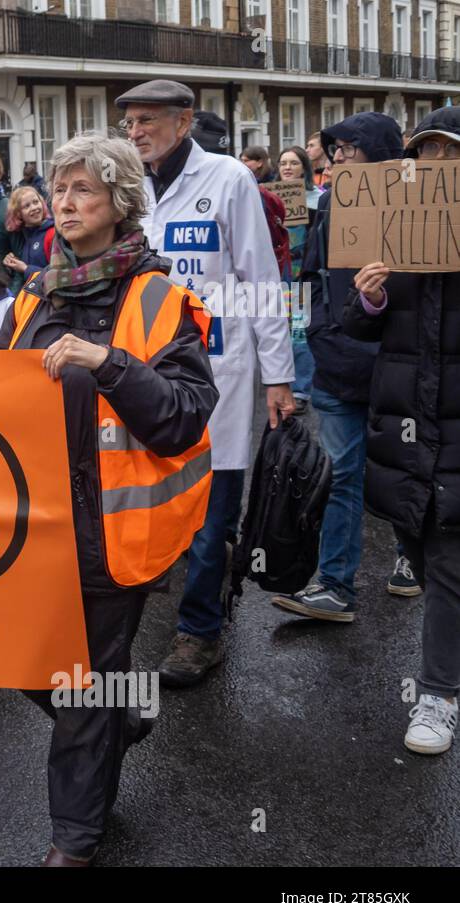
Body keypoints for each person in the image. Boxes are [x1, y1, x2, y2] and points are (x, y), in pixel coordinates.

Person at [0, 132, 217, 864]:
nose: (65, 203)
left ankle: (74, 839)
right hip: (33, 525)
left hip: (112, 533)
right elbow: (4, 383)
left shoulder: (160, 296)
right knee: (35, 665)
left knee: (87, 680)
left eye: (85, 191)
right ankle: (117, 716)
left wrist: (109, 363)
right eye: (61, 189)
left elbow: (187, 413)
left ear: (121, 204)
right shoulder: (36, 290)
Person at [113, 79, 295, 688]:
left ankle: (199, 631)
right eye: (129, 123)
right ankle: (153, 606)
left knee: (213, 509)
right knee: (153, 490)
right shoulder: (129, 185)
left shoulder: (229, 180)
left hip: (221, 368)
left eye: (145, 121)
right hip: (151, 369)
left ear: (183, 122)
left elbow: (262, 277)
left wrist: (279, 374)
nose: (135, 132)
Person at [343, 107, 460, 753]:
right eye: (427, 155)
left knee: (445, 559)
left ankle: (438, 697)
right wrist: (371, 296)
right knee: (413, 541)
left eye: (450, 154)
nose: (437, 166)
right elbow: (355, 326)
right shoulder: (388, 228)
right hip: (405, 422)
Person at [274, 112, 420, 624]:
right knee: (341, 476)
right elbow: (309, 276)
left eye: (347, 150)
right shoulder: (333, 203)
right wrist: (314, 331)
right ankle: (335, 585)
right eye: (332, 150)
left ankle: (411, 558)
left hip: (398, 368)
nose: (334, 158)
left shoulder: (419, 205)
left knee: (404, 472)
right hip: (338, 364)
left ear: (379, 156)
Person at [276, 146, 321, 413]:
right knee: (277, 330)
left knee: (299, 332)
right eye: (283, 163)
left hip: (302, 274)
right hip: (275, 275)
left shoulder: (317, 199)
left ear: (304, 167)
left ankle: (302, 389)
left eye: (293, 163)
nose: (288, 168)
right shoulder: (267, 198)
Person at [2, 185, 54, 296]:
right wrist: (12, 263)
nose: (34, 208)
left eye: (36, 202)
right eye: (27, 206)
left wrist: (26, 269)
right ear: (18, 214)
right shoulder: (24, 237)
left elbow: (56, 276)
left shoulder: (52, 234)